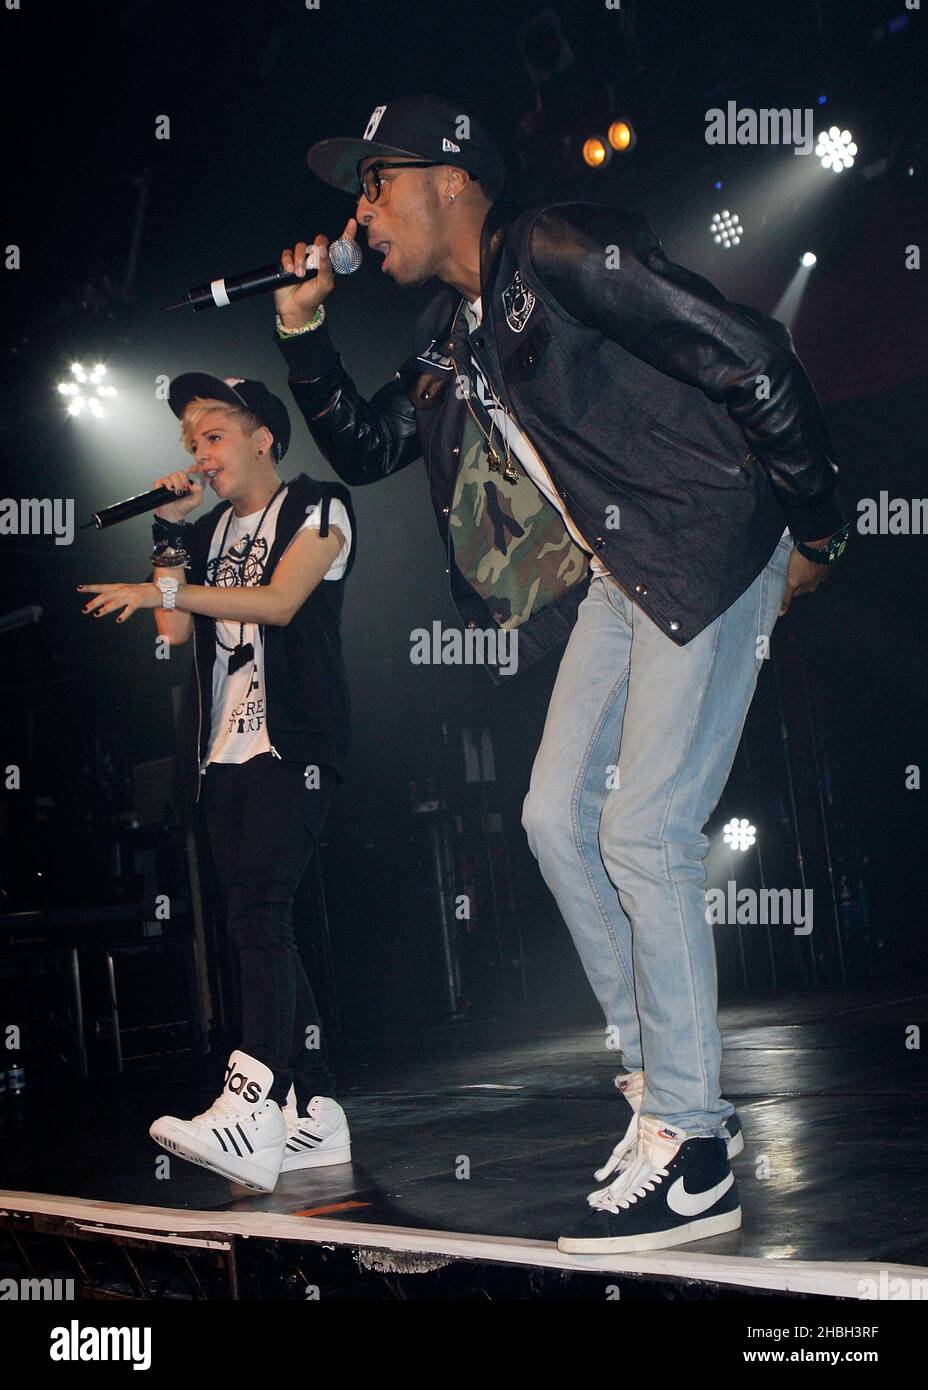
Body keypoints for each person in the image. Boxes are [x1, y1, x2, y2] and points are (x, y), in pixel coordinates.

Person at [269, 92, 849, 1251]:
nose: (361, 213)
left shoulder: (554, 245)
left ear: (451, 179)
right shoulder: (454, 333)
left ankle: (693, 1147)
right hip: (619, 576)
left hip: (704, 541)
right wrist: (301, 335)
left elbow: (750, 351)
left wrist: (819, 530)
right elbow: (372, 446)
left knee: (644, 830)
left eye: (378, 184)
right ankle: (654, 1086)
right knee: (550, 816)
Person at [78, 374, 357, 1192]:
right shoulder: (200, 539)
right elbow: (172, 630)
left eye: (212, 434)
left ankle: (250, 1106)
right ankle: (316, 1109)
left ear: (262, 434)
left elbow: (277, 603)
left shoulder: (320, 506)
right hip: (222, 755)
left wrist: (157, 585)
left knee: (260, 912)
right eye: (189, 443)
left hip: (293, 743)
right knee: (253, 920)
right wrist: (167, 536)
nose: (198, 453)